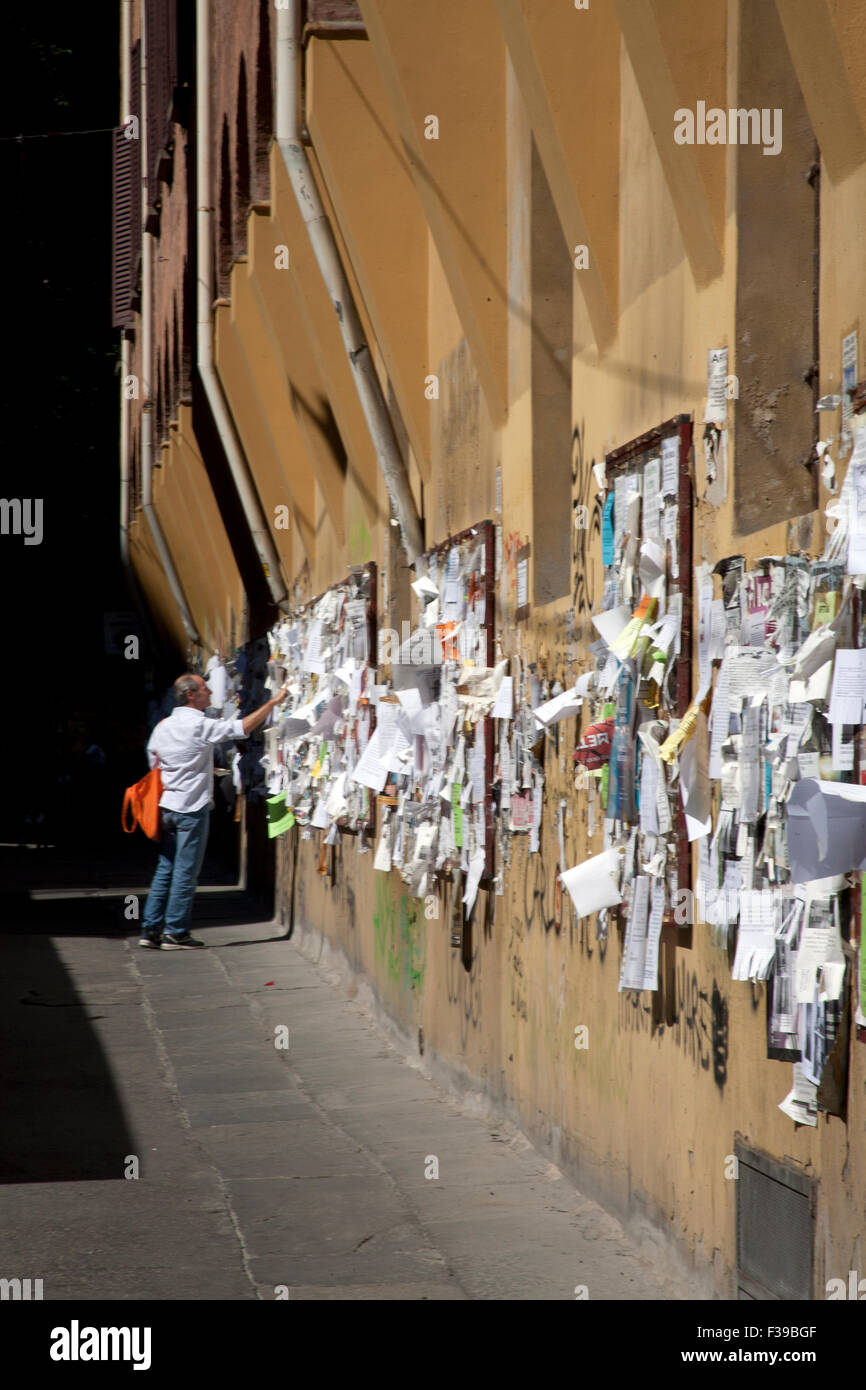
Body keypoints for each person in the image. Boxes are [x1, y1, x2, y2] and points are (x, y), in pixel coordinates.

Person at [139, 672, 288, 949]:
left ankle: (150, 929)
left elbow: (155, 762)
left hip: (166, 806)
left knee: (165, 868)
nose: (210, 693)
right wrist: (274, 702)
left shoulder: (163, 726)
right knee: (186, 871)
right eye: (205, 689)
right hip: (190, 807)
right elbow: (240, 728)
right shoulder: (199, 725)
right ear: (191, 695)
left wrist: (185, 773)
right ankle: (176, 931)